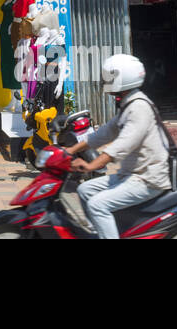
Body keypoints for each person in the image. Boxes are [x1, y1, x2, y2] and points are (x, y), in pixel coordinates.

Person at [65, 53, 170, 239]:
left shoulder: (139, 107)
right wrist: (69, 151)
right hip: (131, 174)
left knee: (97, 205)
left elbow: (123, 145)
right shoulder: (129, 104)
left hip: (147, 179)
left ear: (123, 78)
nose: (106, 81)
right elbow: (104, 133)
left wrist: (92, 165)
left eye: (110, 77)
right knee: (84, 190)